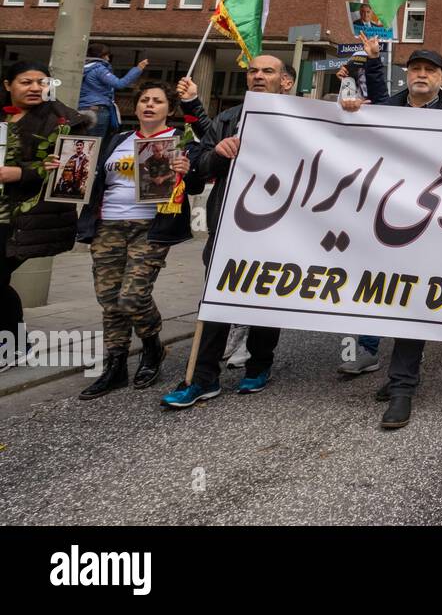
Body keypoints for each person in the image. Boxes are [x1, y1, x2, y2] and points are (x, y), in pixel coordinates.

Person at [340, 48, 442, 427]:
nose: (421, 74)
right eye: (415, 68)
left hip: (425, 225)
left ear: (441, 78)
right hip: (377, 219)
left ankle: (402, 387)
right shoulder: (381, 109)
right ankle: (387, 369)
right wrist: (351, 114)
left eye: (429, 70)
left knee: (410, 299)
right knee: (378, 296)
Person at [162, 54, 293, 409]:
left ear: (286, 82)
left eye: (268, 71)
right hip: (229, 226)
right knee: (216, 298)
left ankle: (259, 364)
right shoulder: (228, 119)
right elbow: (199, 169)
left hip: (283, 227)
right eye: (253, 71)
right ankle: (202, 378)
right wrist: (218, 154)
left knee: (267, 296)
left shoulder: (305, 121)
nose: (258, 76)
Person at [76, 83, 203, 398]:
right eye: (144, 100)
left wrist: (187, 171)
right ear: (136, 108)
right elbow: (92, 176)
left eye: (157, 101)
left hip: (150, 226)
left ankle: (151, 346)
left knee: (132, 296)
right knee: (109, 300)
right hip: (108, 225)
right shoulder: (118, 140)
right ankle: (115, 365)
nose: (149, 105)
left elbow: (198, 182)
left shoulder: (179, 142)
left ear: (168, 110)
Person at [1, 61, 90, 361]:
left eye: (42, 82)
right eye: (26, 82)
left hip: (28, 217)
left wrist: (22, 173)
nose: (35, 88)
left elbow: (73, 177)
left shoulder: (62, 121)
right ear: (7, 85)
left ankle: (14, 345)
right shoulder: (4, 118)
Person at [78, 44, 148, 141]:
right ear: (101, 55)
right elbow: (119, 84)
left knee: (84, 143)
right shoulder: (99, 69)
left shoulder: (82, 68)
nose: (108, 58)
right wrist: (138, 69)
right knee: (98, 145)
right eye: (106, 55)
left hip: (82, 109)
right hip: (97, 110)